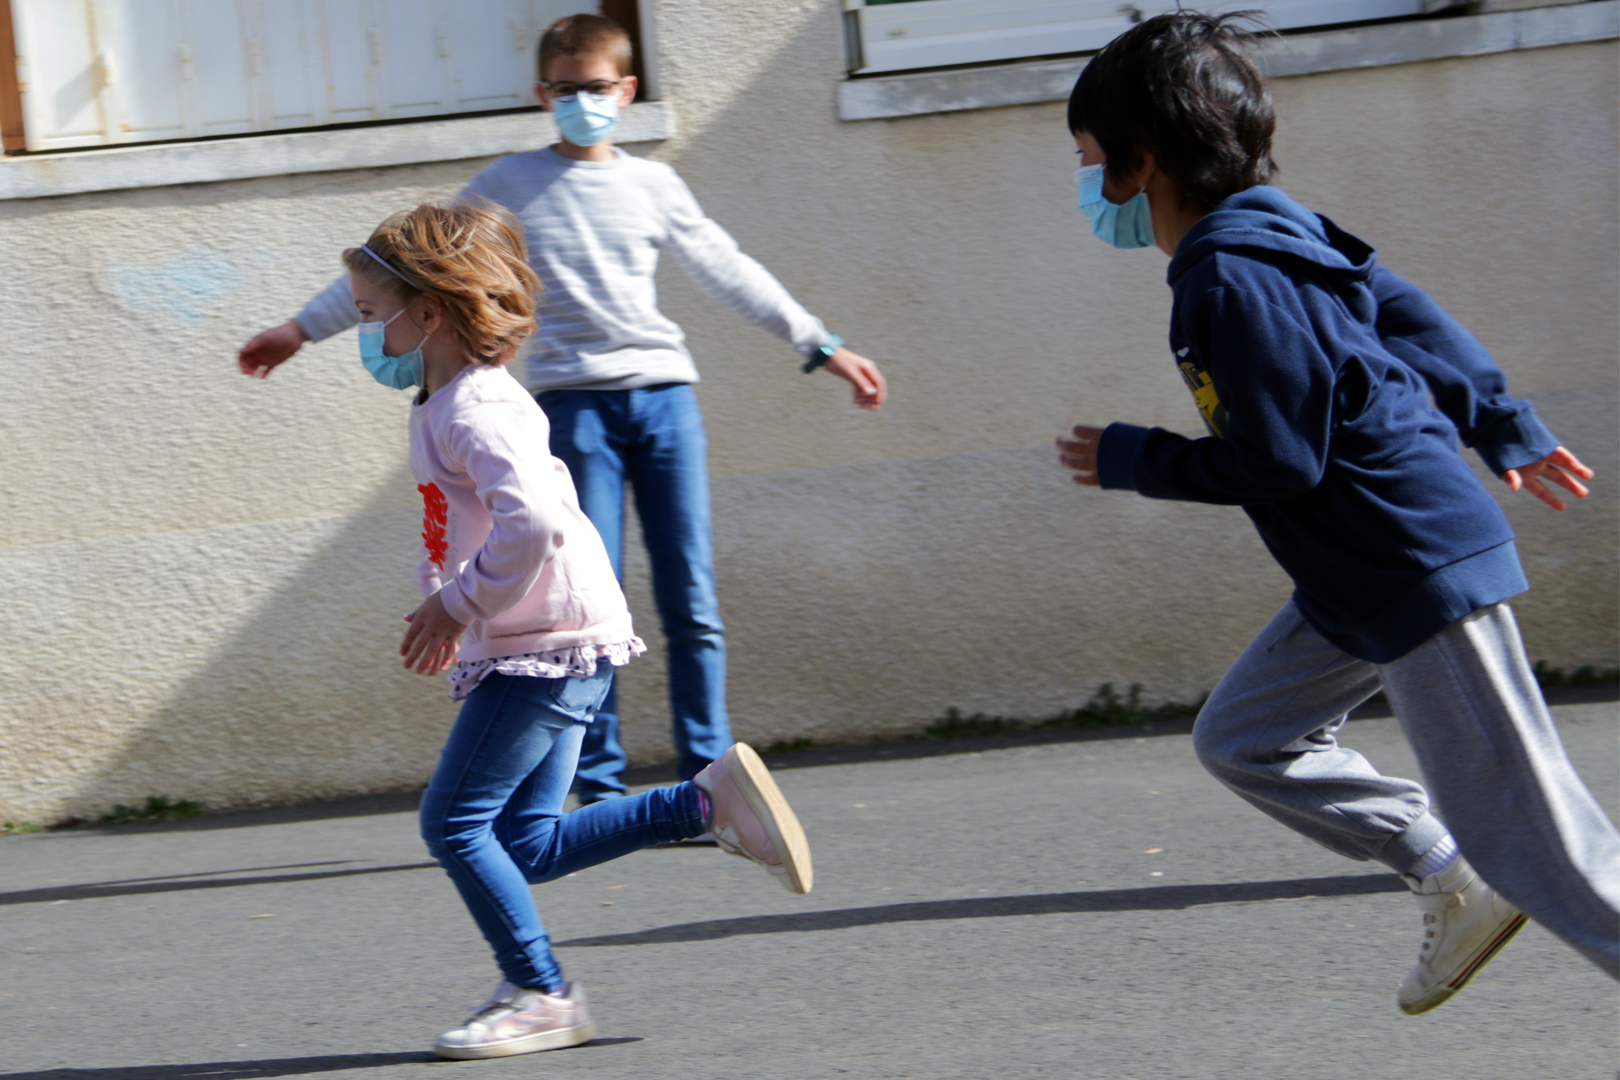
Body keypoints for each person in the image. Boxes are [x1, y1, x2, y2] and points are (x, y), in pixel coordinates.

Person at [1054, 12, 1618, 1014]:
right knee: (1245, 735)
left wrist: (1138, 459)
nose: (1089, 188)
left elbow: (1277, 460)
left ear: (1144, 165)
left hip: (1407, 561)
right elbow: (1401, 310)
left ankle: (1486, 866)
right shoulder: (1278, 228)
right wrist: (1500, 422)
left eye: (1091, 161)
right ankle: (1450, 873)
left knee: (1548, 849)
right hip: (1355, 572)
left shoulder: (1227, 279)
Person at [237, 13, 888, 805]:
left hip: (662, 399)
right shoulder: (508, 187)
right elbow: (399, 272)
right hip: (573, 406)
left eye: (600, 87)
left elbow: (727, 266)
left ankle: (711, 782)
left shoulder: (652, 184)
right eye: (568, 89)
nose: (585, 100)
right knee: (583, 594)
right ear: (544, 94)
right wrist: (301, 330)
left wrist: (821, 345)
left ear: (628, 90)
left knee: (692, 596)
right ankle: (597, 783)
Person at [333, 201, 811, 1059]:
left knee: (452, 824)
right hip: (538, 639)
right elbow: (460, 525)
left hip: (544, 646)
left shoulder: (478, 408)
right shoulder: (443, 404)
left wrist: (457, 605)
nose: (364, 336)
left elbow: (537, 528)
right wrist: (443, 598)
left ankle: (542, 989)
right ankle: (702, 805)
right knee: (527, 842)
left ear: (428, 313)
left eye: (370, 316)